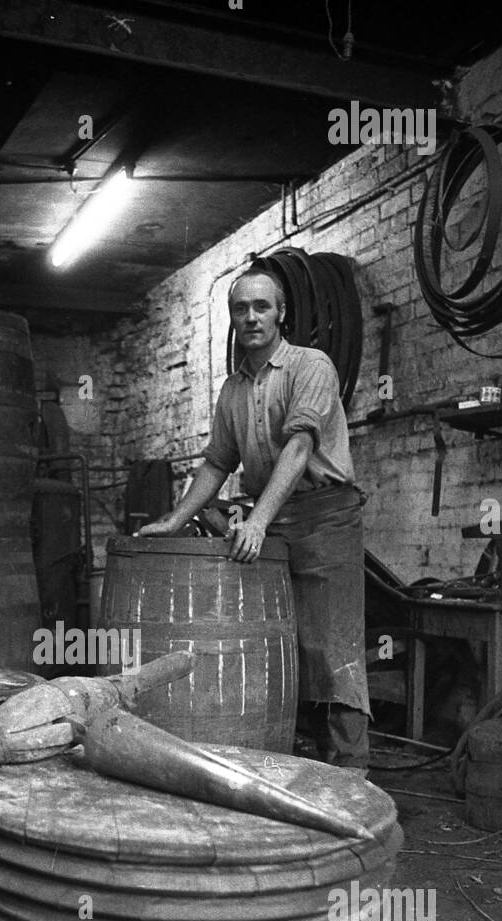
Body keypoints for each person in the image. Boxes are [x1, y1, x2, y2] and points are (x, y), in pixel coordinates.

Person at [137, 263, 370, 770]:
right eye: (240, 308)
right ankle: (293, 767)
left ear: (281, 314)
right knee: (279, 647)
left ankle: (352, 778)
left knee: (330, 651)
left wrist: (259, 521)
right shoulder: (233, 389)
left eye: (261, 306)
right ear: (232, 319)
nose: (251, 317)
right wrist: (176, 519)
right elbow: (219, 462)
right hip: (272, 514)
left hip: (324, 516)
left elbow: (299, 445)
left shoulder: (312, 366)